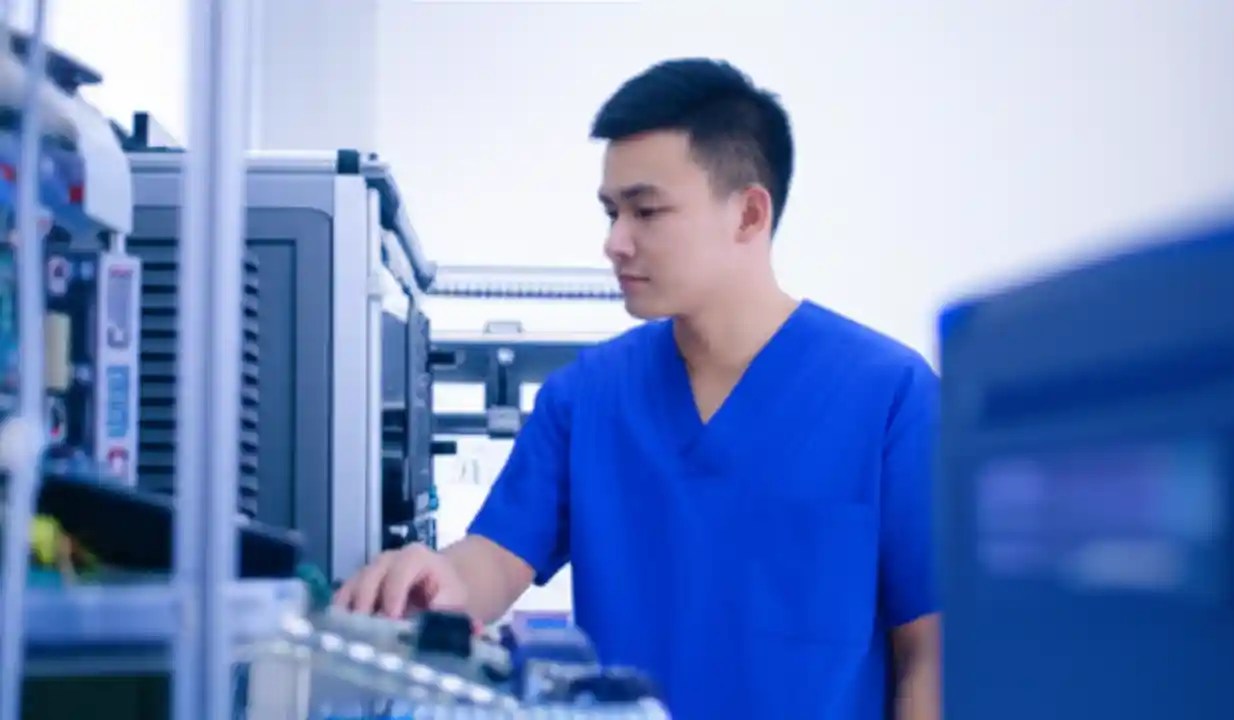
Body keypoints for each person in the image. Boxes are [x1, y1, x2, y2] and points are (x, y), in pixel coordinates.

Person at [335, 57, 941, 719]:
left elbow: (932, 650)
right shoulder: (585, 398)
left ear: (748, 214)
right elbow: (496, 559)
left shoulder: (889, 396)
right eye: (611, 212)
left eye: (646, 212)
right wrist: (439, 577)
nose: (615, 242)